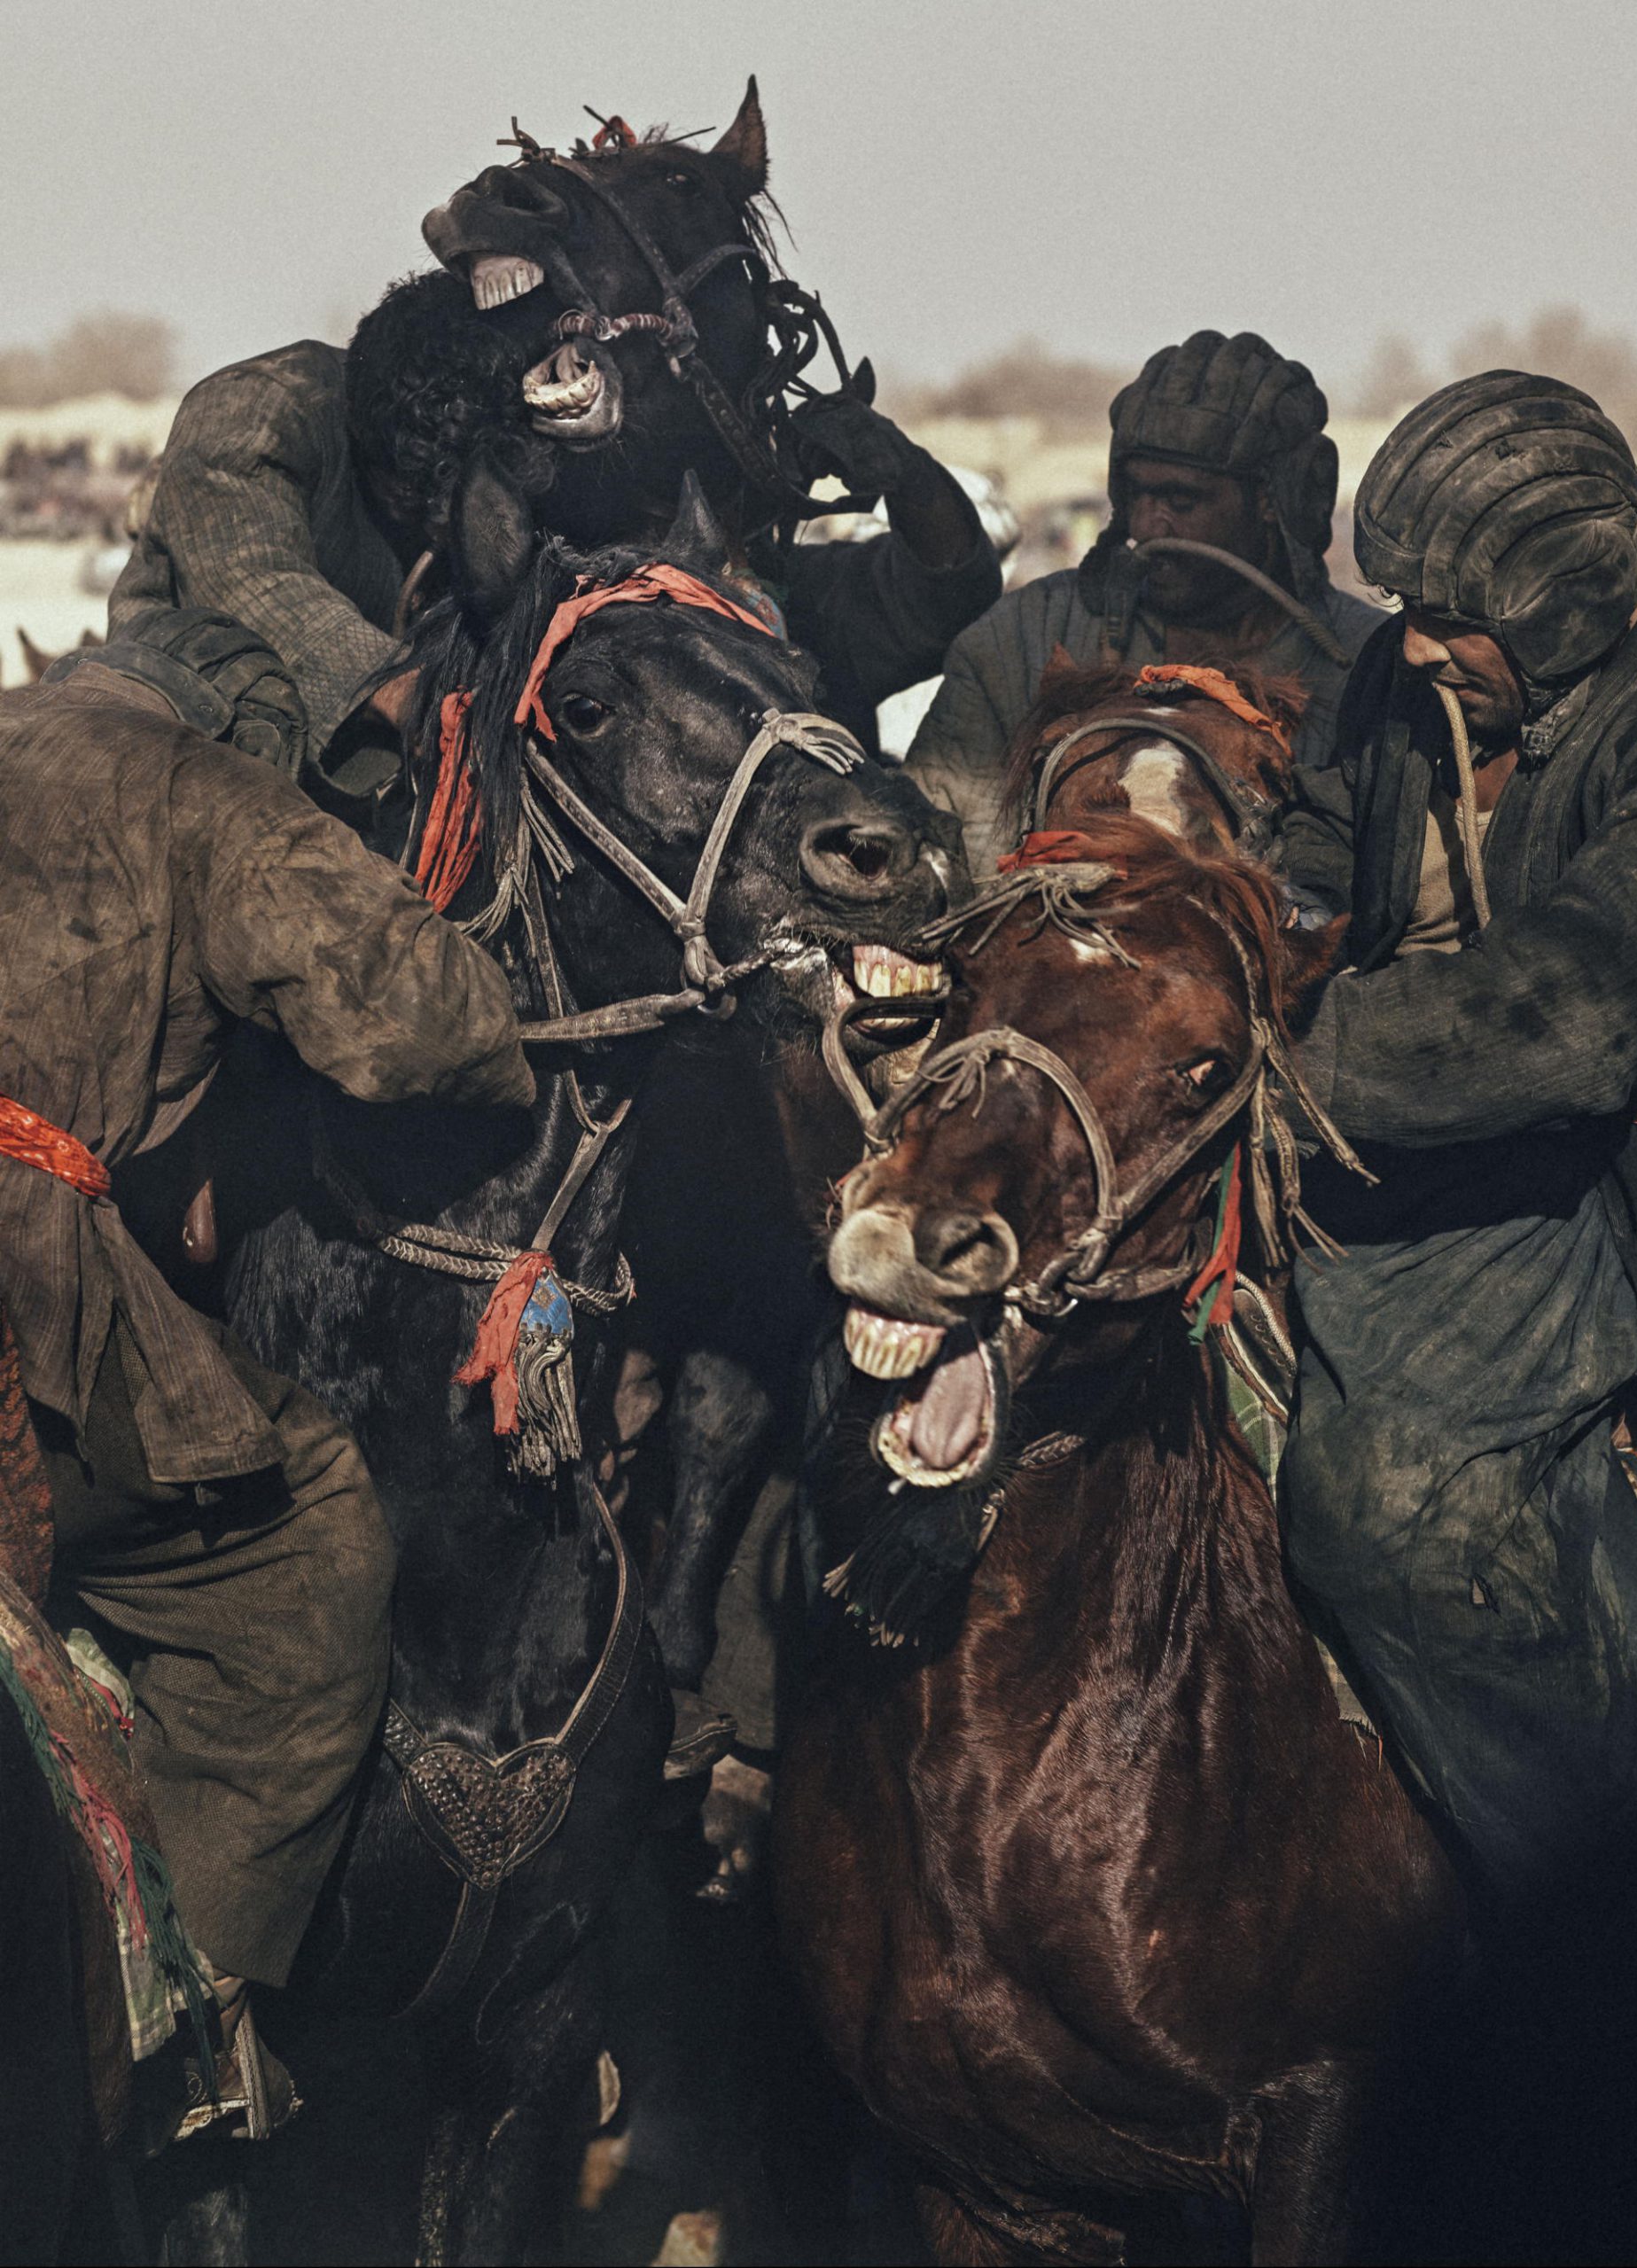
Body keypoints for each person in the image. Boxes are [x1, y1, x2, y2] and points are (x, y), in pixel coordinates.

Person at [0, 658, 534, 2131]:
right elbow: (416, 1015)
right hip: (25, 1284)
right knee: (296, 1550)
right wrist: (509, 1072)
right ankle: (188, 2016)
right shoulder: (190, 787)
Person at [1276, 370, 1637, 1916]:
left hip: (1633, 1188)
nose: (1414, 643)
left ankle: (1617, 1921)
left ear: (1573, 605)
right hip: (1422, 1129)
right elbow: (1311, 848)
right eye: (1402, 604)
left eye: (1456, 618)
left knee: (1380, 1496)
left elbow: (1577, 1020)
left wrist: (1262, 1053)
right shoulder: (1411, 691)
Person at [98, 101, 998, 799]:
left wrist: (905, 474)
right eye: (419, 486)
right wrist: (463, 720)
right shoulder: (262, 413)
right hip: (192, 785)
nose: (448, 511)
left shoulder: (555, 487)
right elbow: (262, 592)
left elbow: (932, 599)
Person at [908, 329, 1384, 873]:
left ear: (1275, 501)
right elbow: (940, 863)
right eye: (1137, 494)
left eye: (1182, 500)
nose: (1148, 525)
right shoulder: (1021, 643)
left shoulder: (1369, 667)